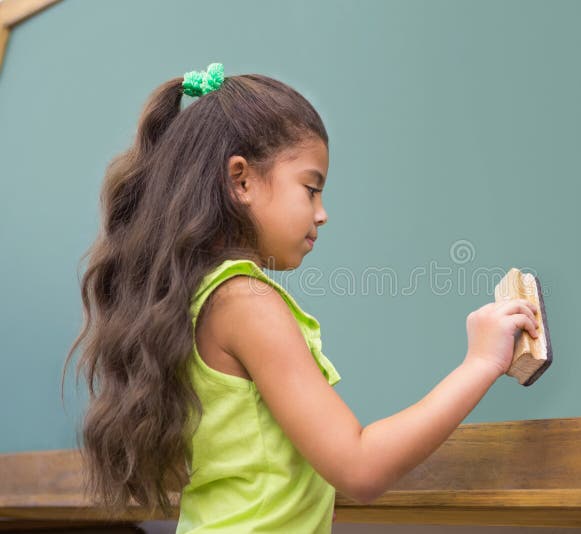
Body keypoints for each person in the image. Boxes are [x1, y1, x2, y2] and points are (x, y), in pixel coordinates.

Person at [62, 62, 540, 533]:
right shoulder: (244, 302)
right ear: (241, 180)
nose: (323, 213)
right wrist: (479, 363)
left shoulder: (195, 300)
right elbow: (360, 467)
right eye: (311, 189)